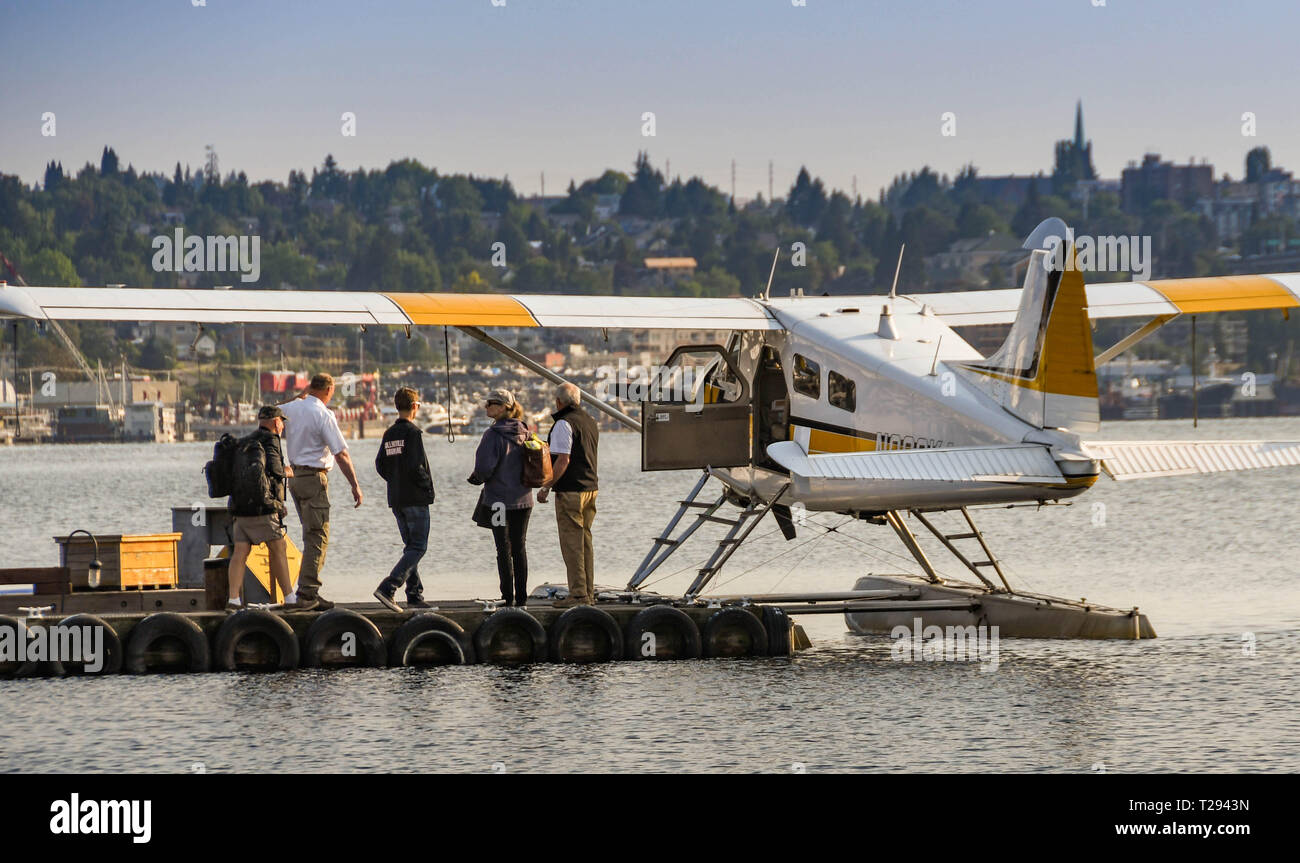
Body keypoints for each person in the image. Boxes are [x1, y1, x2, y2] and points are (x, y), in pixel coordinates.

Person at [278, 373, 363, 611]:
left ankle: (309, 589)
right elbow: (341, 453)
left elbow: (267, 411)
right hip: (314, 479)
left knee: (310, 534)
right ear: (328, 390)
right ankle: (307, 593)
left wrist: (298, 396)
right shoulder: (323, 414)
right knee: (318, 537)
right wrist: (354, 484)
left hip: (294, 478)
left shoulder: (292, 408)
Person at [226, 406, 296, 612]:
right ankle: (290, 599)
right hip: (263, 508)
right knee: (278, 548)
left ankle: (233, 600)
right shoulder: (271, 440)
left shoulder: (245, 440)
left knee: (240, 552)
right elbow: (274, 469)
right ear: (276, 422)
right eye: (282, 422)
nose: (283, 425)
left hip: (240, 508)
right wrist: (291, 471)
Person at [467, 389, 534, 607]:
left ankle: (508, 596)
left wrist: (476, 478)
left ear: (504, 406)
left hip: (498, 502)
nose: (486, 407)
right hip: (524, 500)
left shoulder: (493, 434)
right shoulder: (525, 430)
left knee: (502, 548)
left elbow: (484, 468)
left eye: (491, 404)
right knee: (519, 547)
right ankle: (522, 598)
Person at [373, 387, 436, 612]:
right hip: (415, 498)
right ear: (415, 406)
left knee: (410, 546)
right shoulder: (413, 433)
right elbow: (416, 465)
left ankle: (414, 594)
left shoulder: (389, 433)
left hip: (396, 498)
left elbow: (380, 464)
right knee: (419, 546)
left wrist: (394, 480)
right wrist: (427, 487)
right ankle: (389, 587)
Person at [536, 383, 599, 607]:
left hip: (571, 491)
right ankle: (587, 593)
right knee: (585, 542)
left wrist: (546, 487)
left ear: (559, 402)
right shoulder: (590, 421)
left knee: (572, 543)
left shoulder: (564, 423)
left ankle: (578, 595)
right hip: (590, 488)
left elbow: (563, 460)